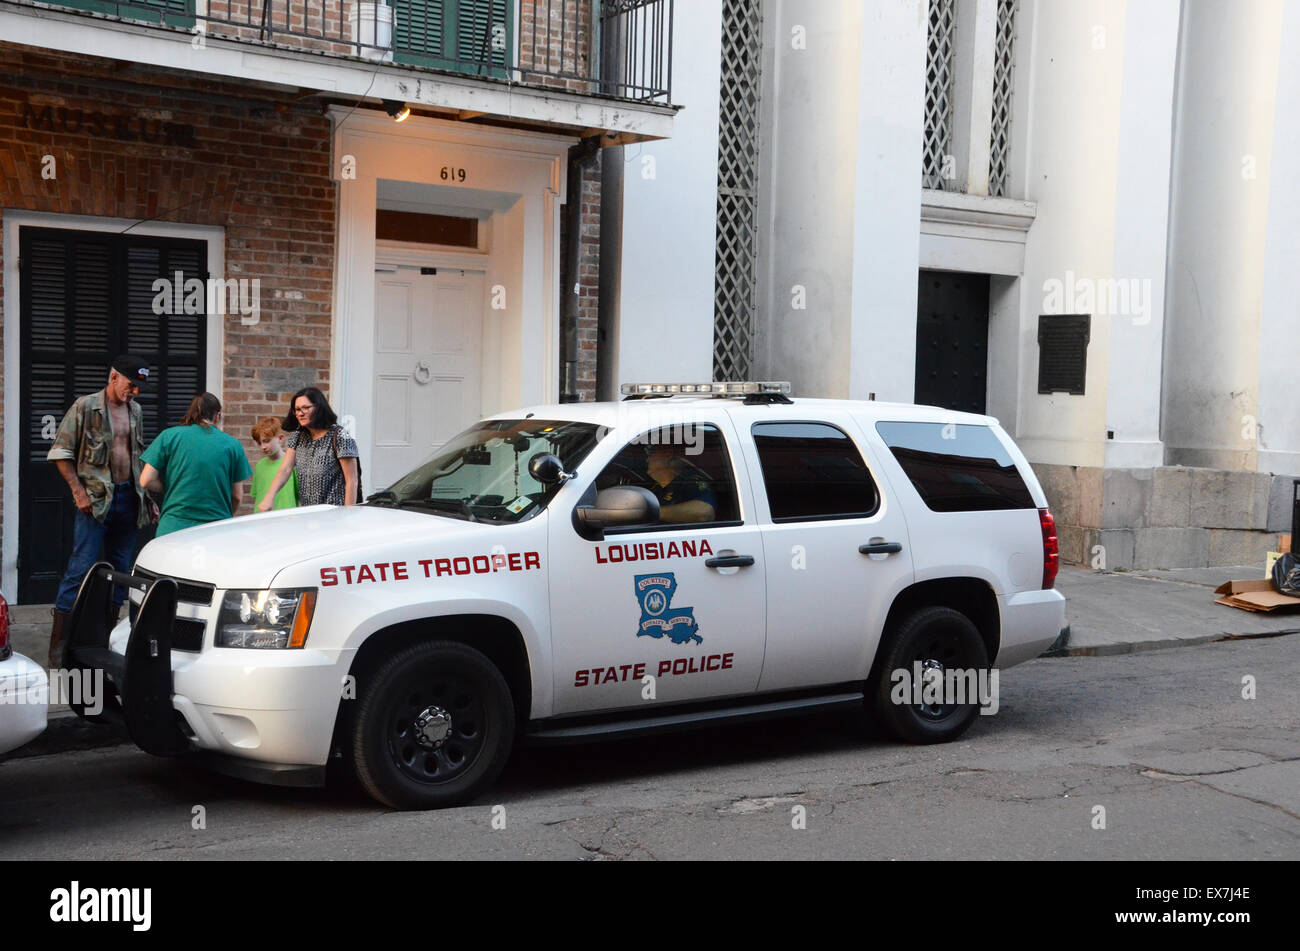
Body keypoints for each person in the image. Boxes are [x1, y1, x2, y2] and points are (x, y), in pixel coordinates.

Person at [46, 355, 155, 669]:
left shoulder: (136, 411)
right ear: (113, 377)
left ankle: (103, 642)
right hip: (95, 501)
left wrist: (147, 497)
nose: (135, 391)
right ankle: (59, 651)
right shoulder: (85, 407)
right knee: (80, 569)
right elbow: (61, 453)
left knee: (120, 573)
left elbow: (135, 457)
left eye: (139, 386)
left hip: (128, 499)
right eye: (131, 384)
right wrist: (78, 492)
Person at [139, 393, 252, 537]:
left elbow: (145, 480)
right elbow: (237, 496)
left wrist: (171, 487)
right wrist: (227, 516)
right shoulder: (233, 445)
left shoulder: (169, 436)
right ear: (217, 416)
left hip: (173, 528)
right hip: (215, 531)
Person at [257, 387, 359, 510]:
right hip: (308, 514)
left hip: (335, 515)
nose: (300, 413)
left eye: (306, 408)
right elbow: (285, 469)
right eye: (297, 409)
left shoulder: (340, 436)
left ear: (319, 408)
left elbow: (351, 481)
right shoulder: (297, 436)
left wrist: (348, 513)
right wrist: (269, 497)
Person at [644, 443, 716, 524]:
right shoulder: (656, 488)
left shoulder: (690, 482)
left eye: (650, 454)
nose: (647, 460)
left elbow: (705, 513)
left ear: (668, 454)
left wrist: (651, 513)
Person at [249, 416, 299, 511]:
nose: (263, 447)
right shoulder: (259, 465)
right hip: (263, 520)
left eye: (266, 441)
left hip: (287, 520)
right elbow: (258, 498)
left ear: (280, 438)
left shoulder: (291, 464)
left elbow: (301, 497)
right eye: (259, 443)